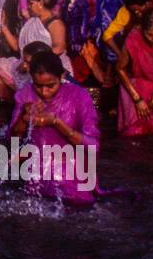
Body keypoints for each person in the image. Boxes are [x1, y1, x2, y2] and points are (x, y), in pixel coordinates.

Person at [9, 49, 99, 205]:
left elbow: (93, 145)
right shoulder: (24, 95)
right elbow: (12, 140)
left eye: (50, 85)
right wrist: (23, 118)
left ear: (62, 76)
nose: (44, 92)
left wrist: (57, 123)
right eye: (38, 86)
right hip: (38, 170)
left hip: (72, 171)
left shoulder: (80, 96)